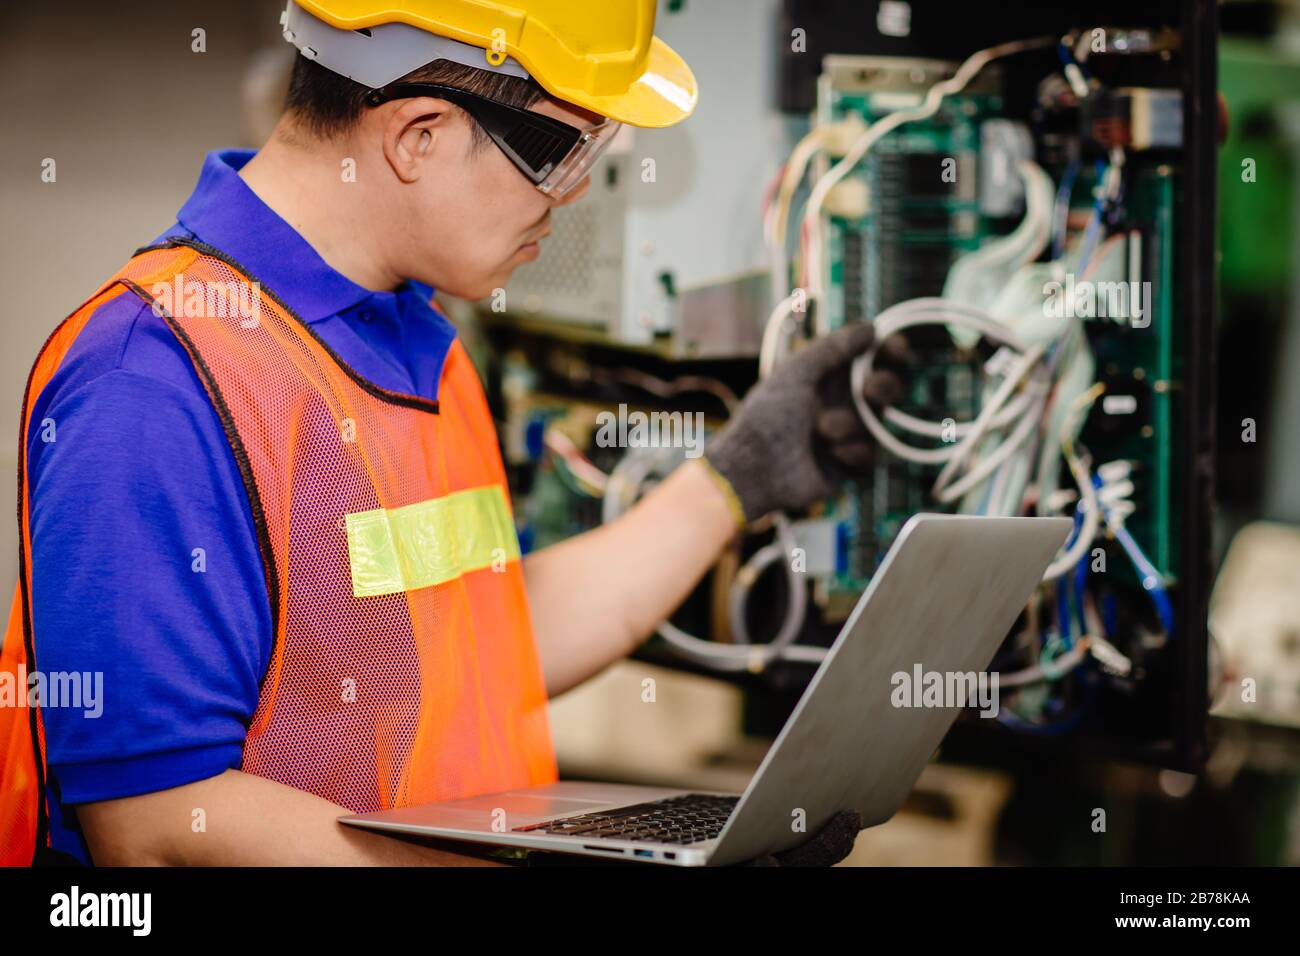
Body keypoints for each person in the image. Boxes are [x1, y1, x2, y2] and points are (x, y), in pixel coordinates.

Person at [0, 0, 901, 866]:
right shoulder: (155, 376)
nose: (577, 194)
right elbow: (159, 826)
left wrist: (734, 480)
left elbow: (472, 644)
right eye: (563, 150)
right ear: (418, 134)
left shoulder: (414, 334)